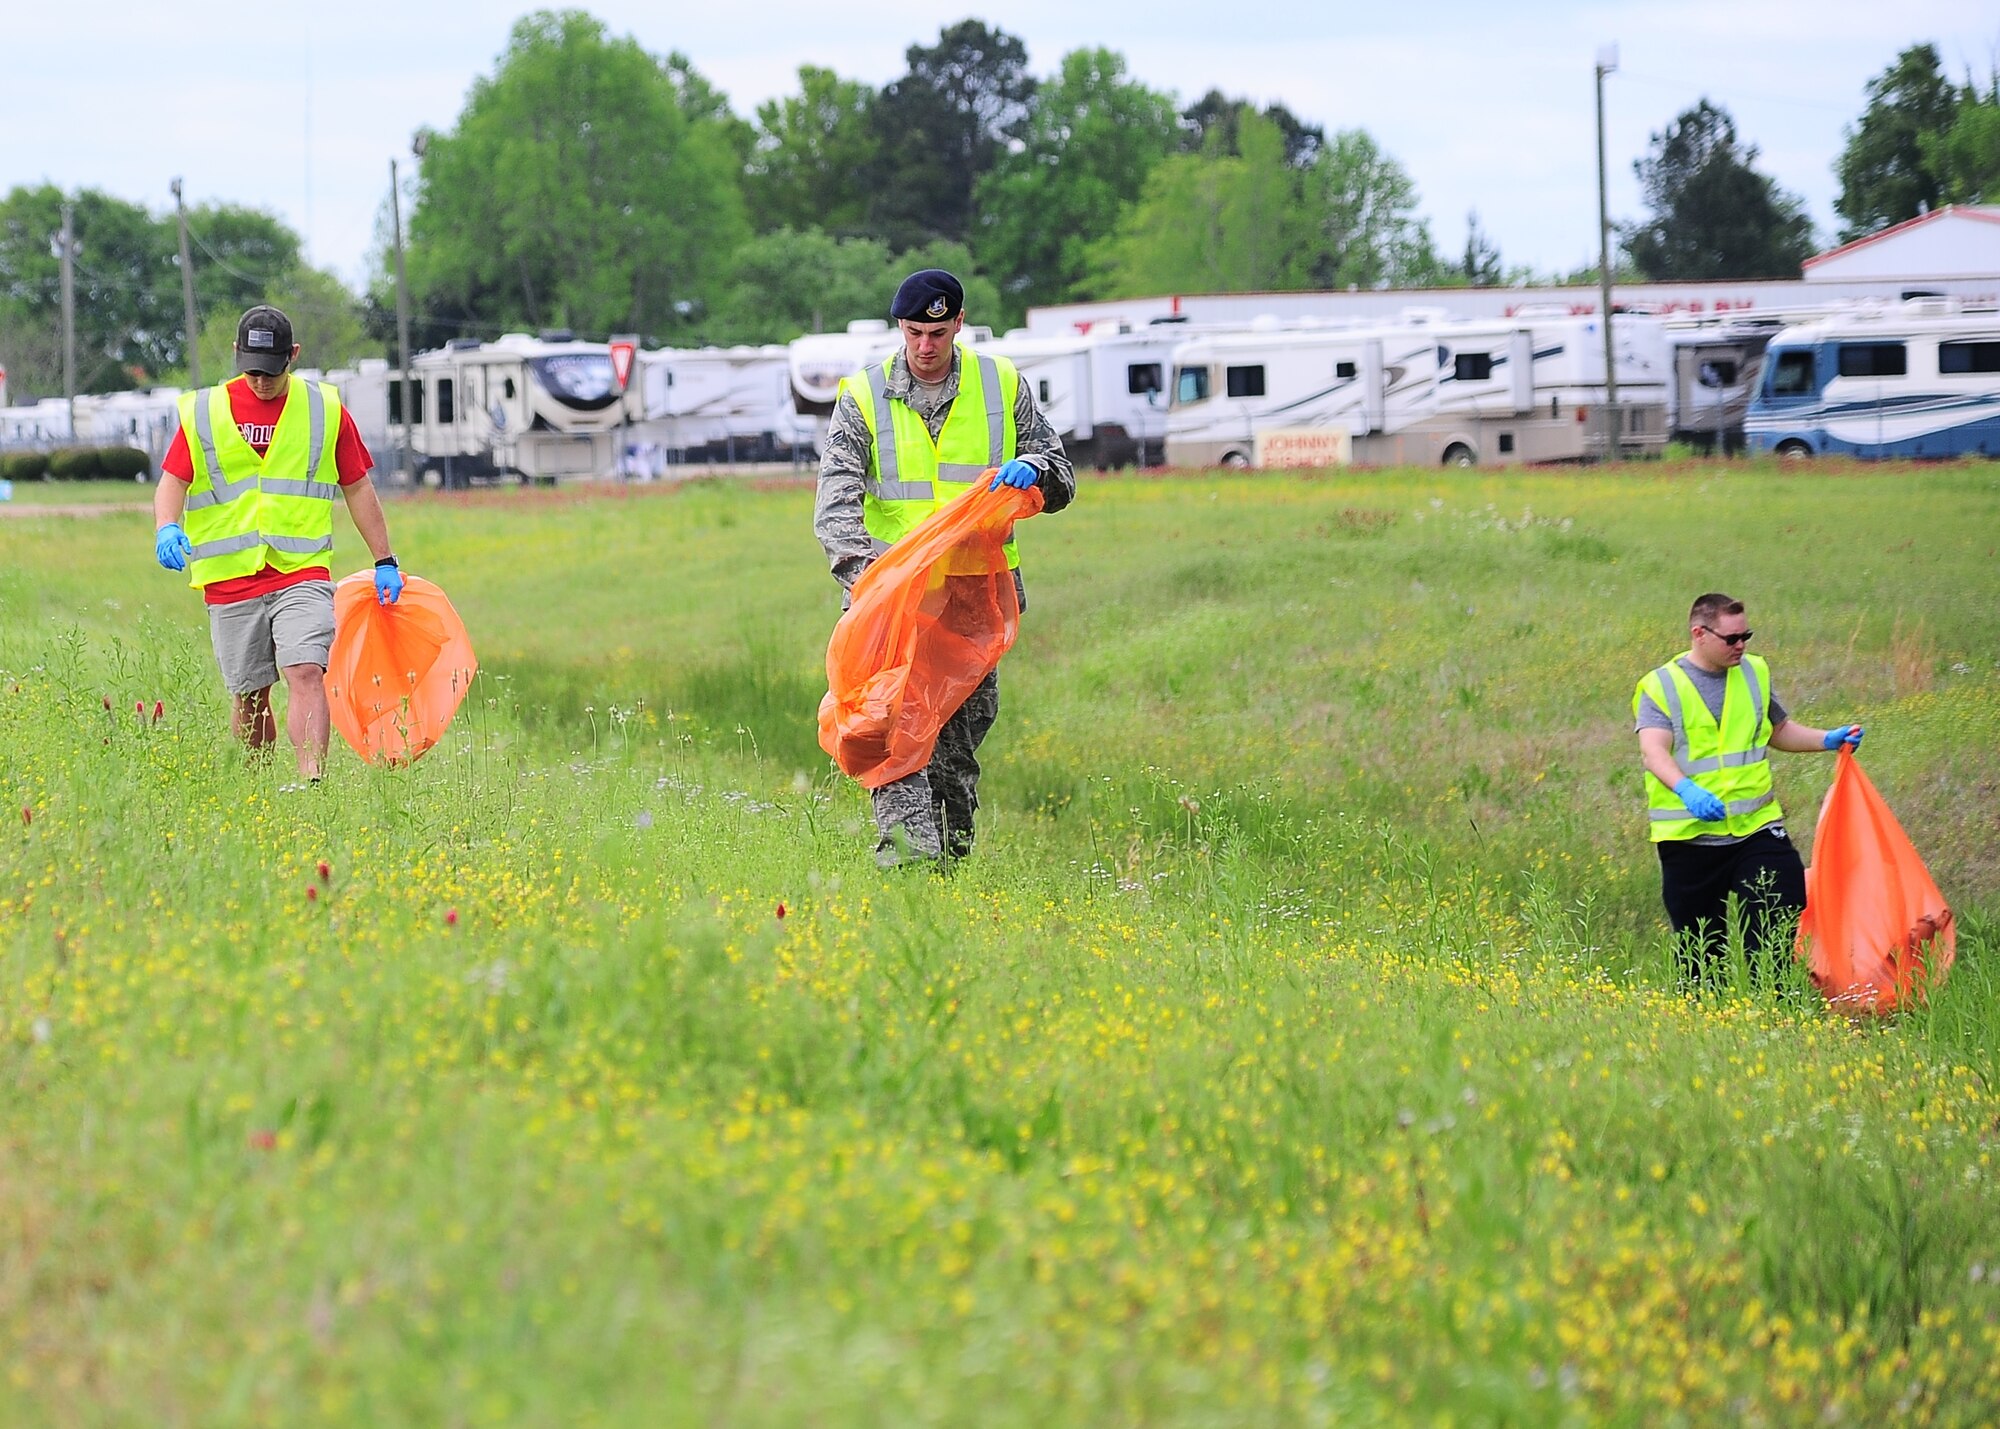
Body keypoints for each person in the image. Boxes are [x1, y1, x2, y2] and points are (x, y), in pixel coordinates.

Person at [814, 268, 1075, 868]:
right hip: (892, 605)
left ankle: (949, 870)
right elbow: (835, 507)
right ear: (899, 329)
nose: (925, 347)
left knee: (955, 754)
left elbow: (1063, 478)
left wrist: (1034, 469)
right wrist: (869, 581)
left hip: (972, 607)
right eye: (913, 333)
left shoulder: (1002, 385)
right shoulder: (863, 396)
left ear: (958, 324)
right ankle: (907, 865)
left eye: (936, 333)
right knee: (888, 730)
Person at [153, 305, 404, 785]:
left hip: (301, 569)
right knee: (250, 695)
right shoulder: (203, 410)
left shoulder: (324, 409)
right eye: (250, 370)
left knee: (307, 670)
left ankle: (312, 783)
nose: (261, 382)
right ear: (236, 355)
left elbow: (357, 487)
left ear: (293, 356)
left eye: (272, 371)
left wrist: (384, 560)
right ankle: (258, 785)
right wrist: (166, 525)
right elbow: (172, 482)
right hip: (230, 578)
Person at [1634, 592, 1864, 984]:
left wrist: (1827, 738)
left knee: (1782, 905)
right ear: (1699, 634)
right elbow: (1653, 752)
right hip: (1691, 838)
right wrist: (1686, 790)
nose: (1741, 646)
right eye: (1732, 639)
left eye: (1747, 636)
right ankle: (1709, 1020)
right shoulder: (1661, 686)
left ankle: (1776, 1001)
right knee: (1701, 952)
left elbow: (1779, 731)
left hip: (1756, 827)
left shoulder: (1755, 672)